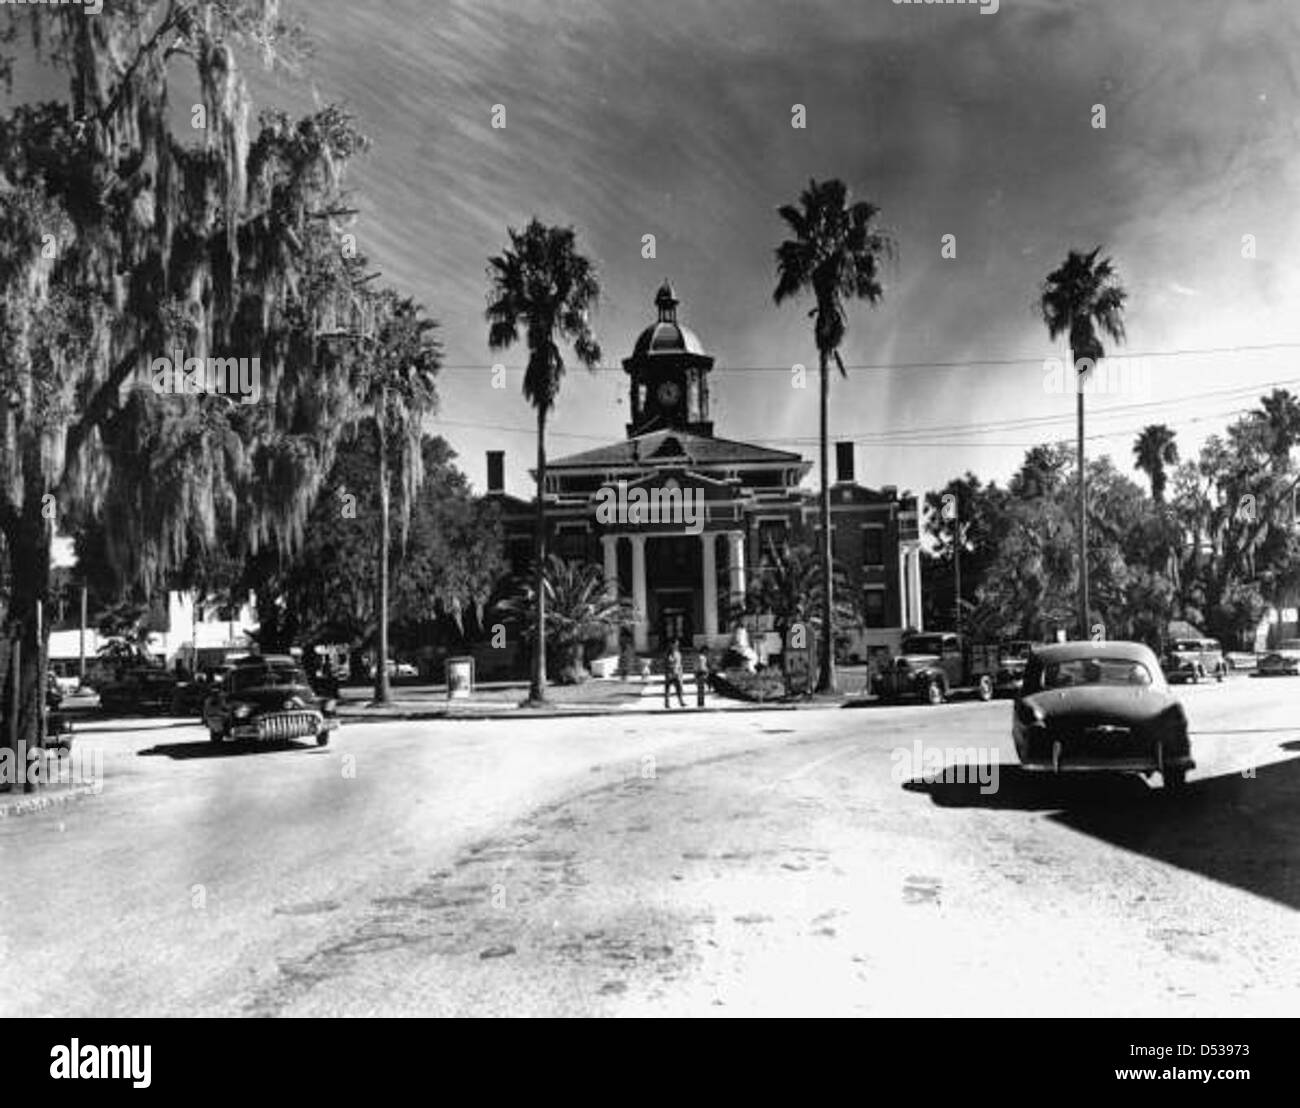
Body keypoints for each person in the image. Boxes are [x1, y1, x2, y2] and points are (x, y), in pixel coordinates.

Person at [663, 639, 686, 709]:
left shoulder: (678, 653)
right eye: (675, 644)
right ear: (671, 644)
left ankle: (681, 701)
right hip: (670, 672)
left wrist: (680, 671)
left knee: (679, 688)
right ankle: (667, 703)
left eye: (677, 644)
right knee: (668, 689)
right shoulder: (669, 653)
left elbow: (679, 663)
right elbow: (668, 662)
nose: (677, 645)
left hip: (676, 672)